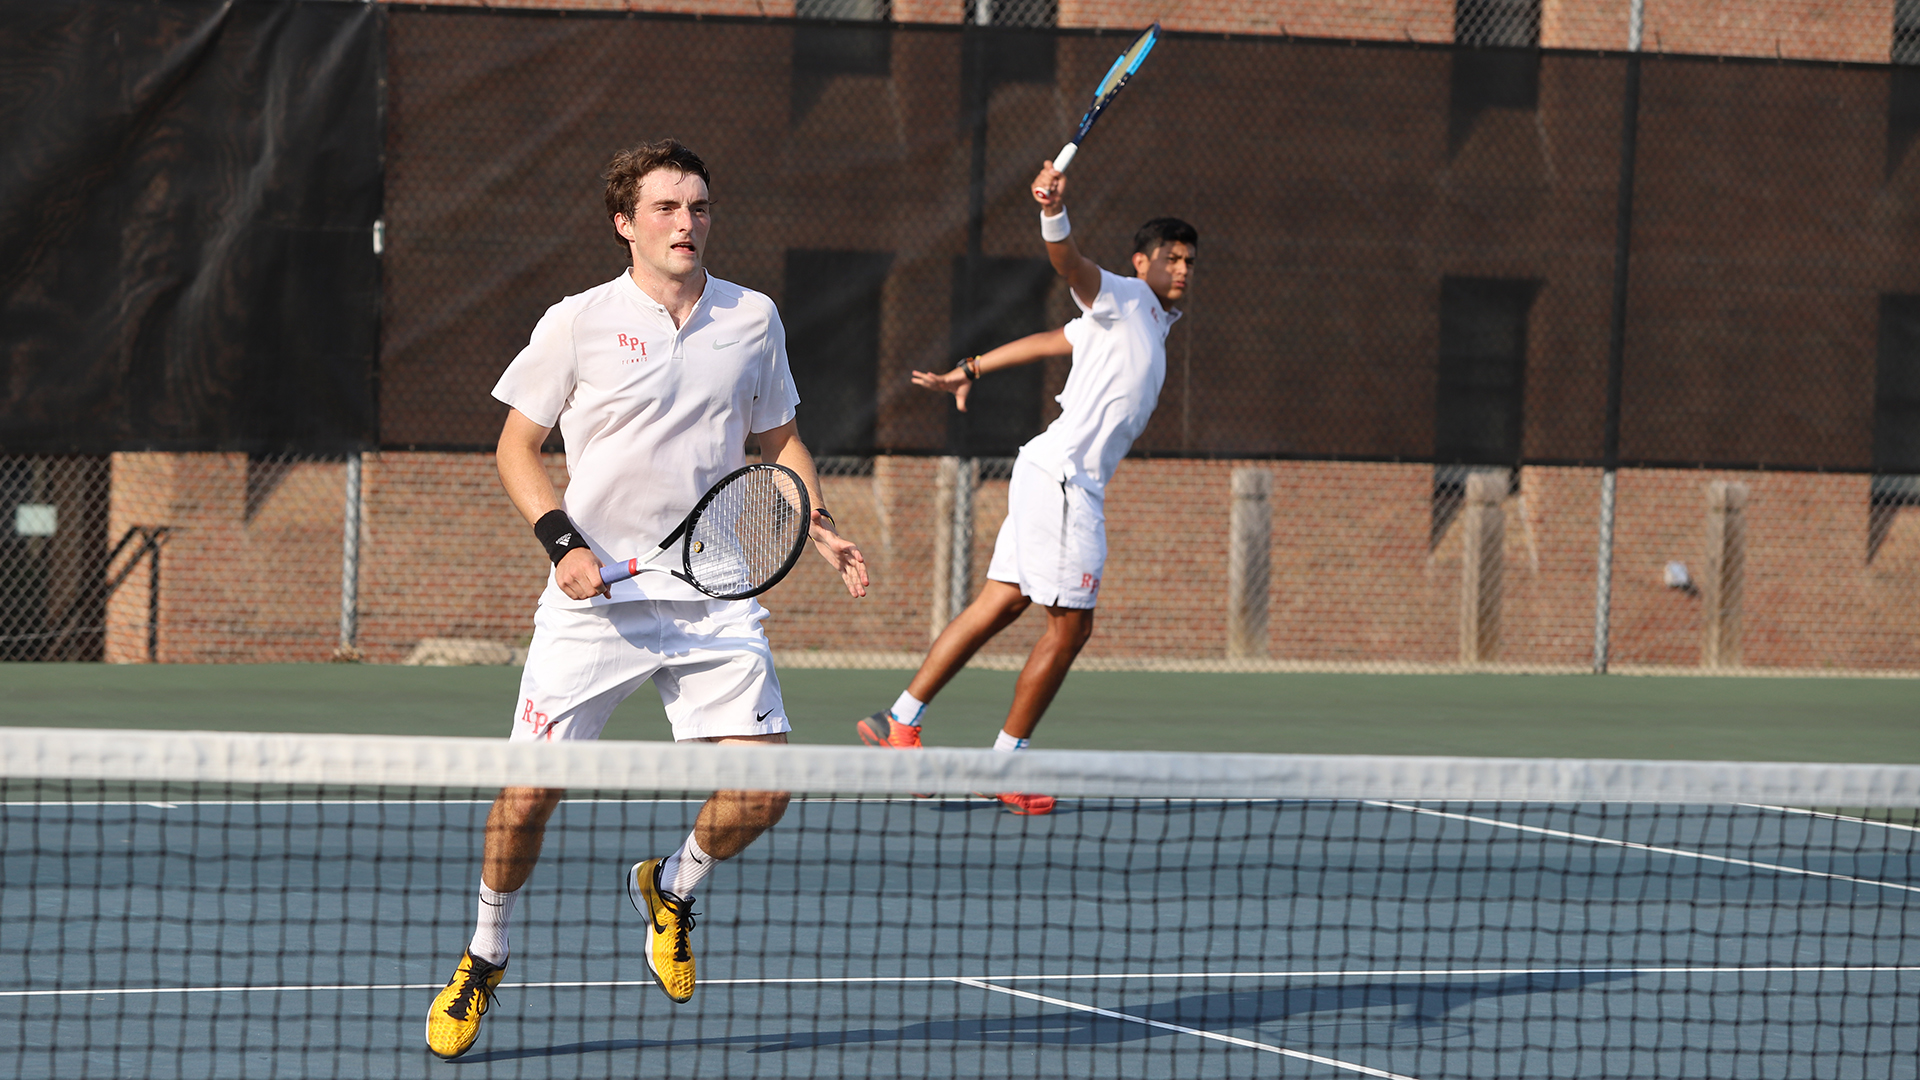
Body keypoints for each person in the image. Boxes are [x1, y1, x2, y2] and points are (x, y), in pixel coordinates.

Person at [425, 139, 869, 1061]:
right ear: (625, 224)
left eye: (699, 207)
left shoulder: (753, 319)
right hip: (595, 596)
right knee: (527, 796)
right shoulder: (578, 321)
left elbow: (780, 437)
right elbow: (516, 447)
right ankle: (485, 955)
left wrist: (815, 519)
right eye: (666, 208)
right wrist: (563, 546)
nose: (687, 223)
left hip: (711, 590)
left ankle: (670, 886)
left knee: (766, 784)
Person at [857, 160, 1196, 815]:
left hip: (1048, 472)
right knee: (1070, 629)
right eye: (1171, 258)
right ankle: (1005, 763)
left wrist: (972, 368)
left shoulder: (1149, 320)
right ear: (1141, 262)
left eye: (1189, 260)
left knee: (1000, 604)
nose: (1182, 268)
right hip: (1067, 481)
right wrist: (1052, 209)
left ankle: (899, 722)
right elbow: (1068, 261)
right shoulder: (1121, 295)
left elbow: (1052, 338)